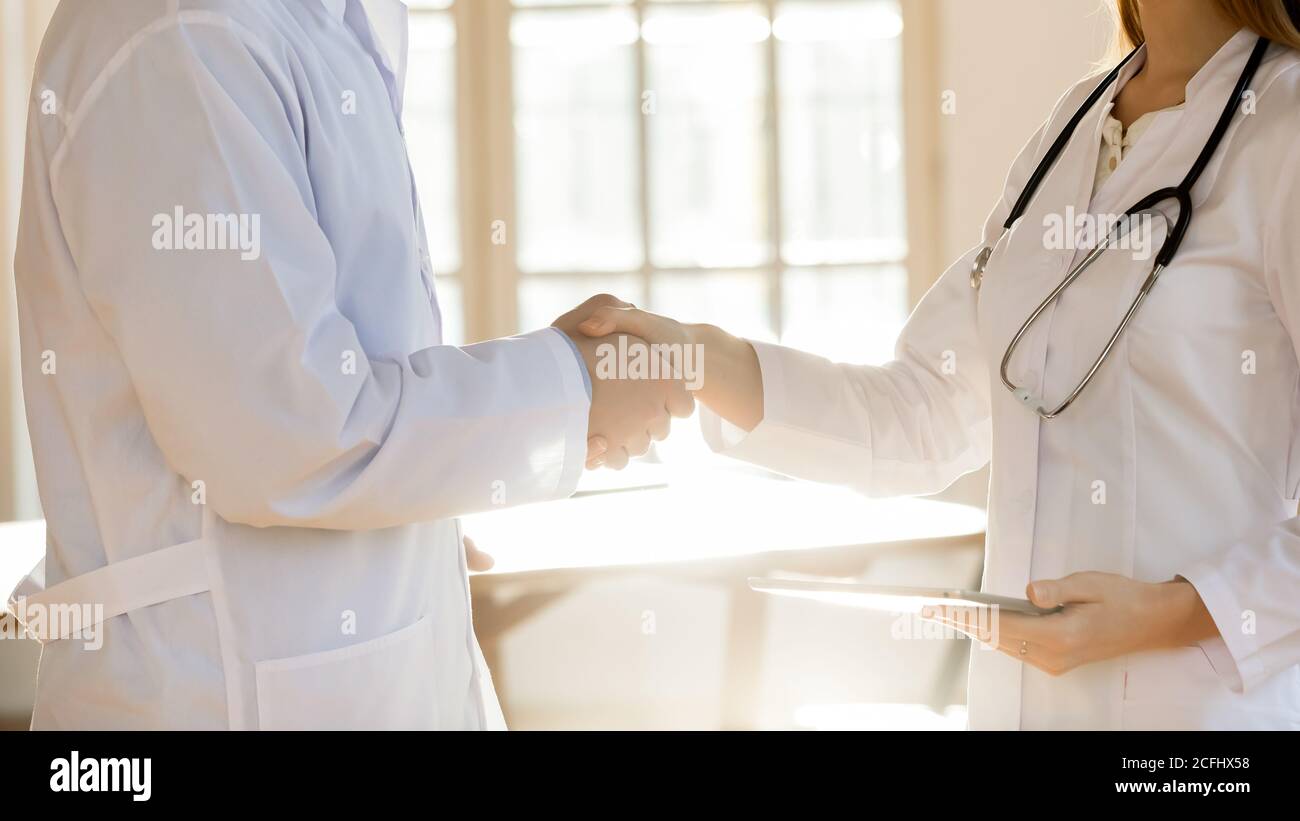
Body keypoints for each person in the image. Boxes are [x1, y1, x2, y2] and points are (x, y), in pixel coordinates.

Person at [573, 0, 1300, 729]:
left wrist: (1170, 614)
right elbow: (916, 416)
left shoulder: (1285, 127)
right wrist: (693, 355)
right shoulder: (1075, 125)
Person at [10, 0, 690, 729]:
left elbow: (321, 386)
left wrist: (412, 521)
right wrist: (575, 387)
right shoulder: (179, 36)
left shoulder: (320, 23)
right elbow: (282, 435)